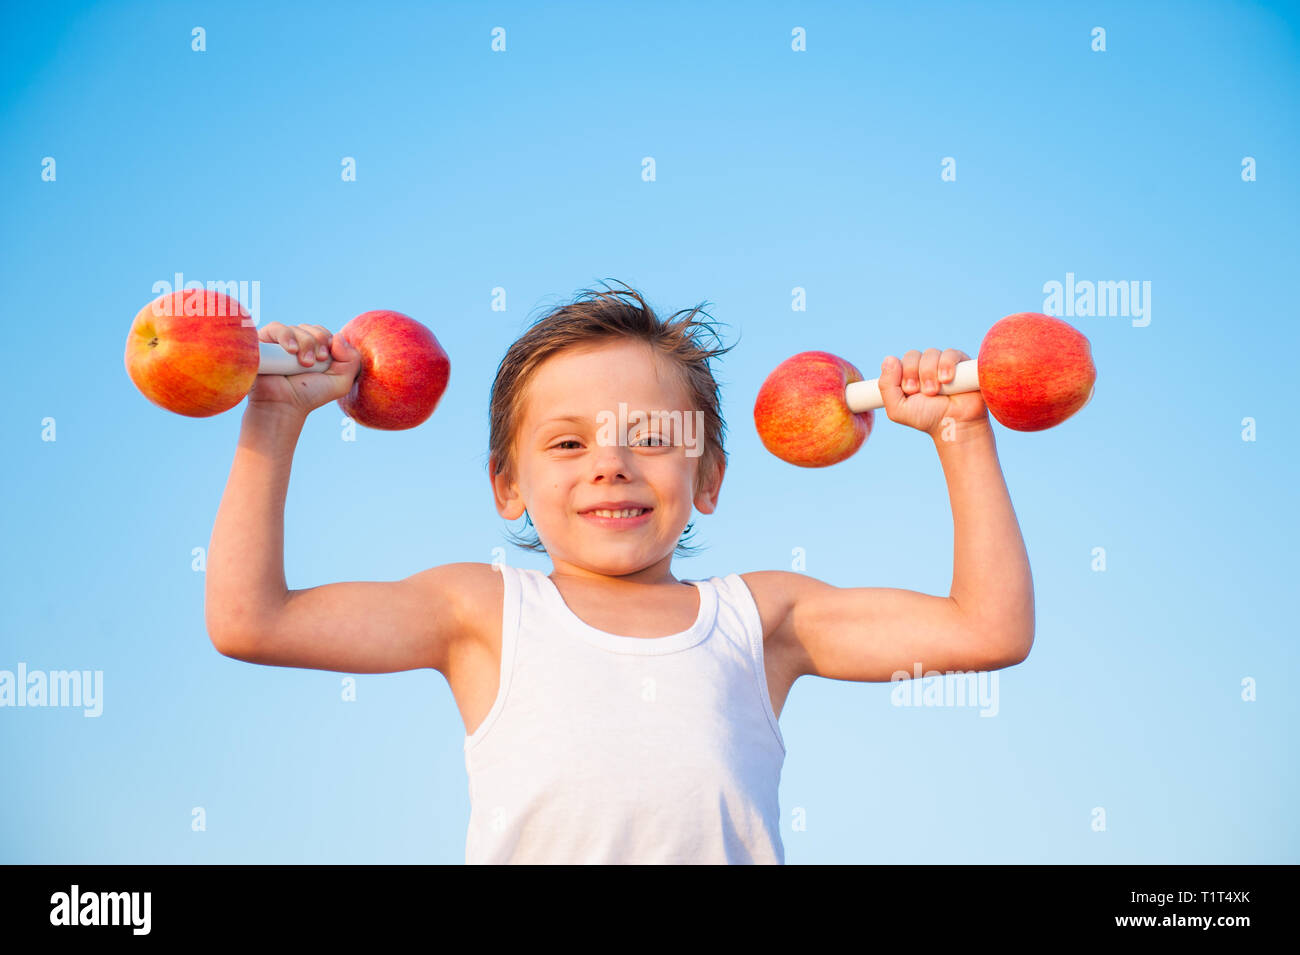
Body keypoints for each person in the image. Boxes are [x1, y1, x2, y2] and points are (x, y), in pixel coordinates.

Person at [205, 279, 1034, 864]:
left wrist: (961, 431)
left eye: (650, 437)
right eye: (568, 442)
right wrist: (276, 414)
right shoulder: (481, 612)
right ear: (507, 485)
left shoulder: (762, 618)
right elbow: (251, 619)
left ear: (707, 477)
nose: (611, 464)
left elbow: (987, 628)